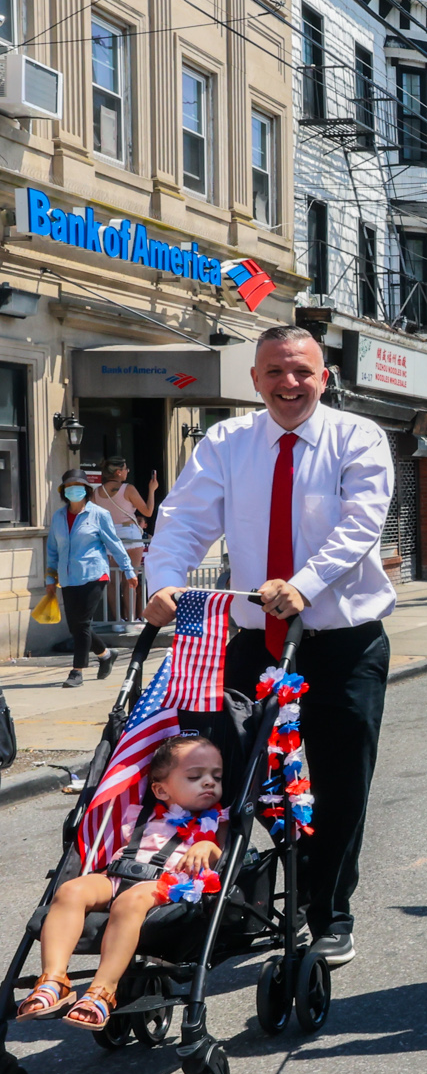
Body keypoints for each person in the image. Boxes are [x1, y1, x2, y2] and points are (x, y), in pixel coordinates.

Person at [146, 324, 395, 970]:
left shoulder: (357, 437)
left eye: (302, 371)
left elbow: (361, 525)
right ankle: (260, 879)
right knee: (236, 776)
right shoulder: (228, 441)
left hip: (342, 642)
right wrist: (166, 585)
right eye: (275, 372)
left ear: (325, 376)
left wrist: (304, 584)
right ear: (254, 379)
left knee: (341, 784)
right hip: (256, 641)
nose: (289, 383)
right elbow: (184, 519)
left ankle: (329, 911)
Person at [16, 731, 225, 1027]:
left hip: (168, 884)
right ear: (161, 791)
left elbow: (225, 858)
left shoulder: (219, 819)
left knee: (132, 899)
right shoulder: (140, 812)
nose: (209, 782)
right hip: (118, 873)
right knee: (71, 890)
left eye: (216, 777)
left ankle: (103, 990)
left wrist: (208, 846)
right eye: (194, 776)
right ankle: (54, 979)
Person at [44, 468, 136, 688]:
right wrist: (50, 578)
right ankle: (105, 654)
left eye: (77, 486)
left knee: (82, 623)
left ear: (85, 489)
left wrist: (128, 570)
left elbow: (114, 544)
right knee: (75, 626)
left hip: (93, 574)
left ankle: (77, 671)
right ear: (63, 491)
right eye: (68, 487)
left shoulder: (98, 514)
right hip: (67, 578)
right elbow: (52, 550)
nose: (73, 490)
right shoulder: (58, 517)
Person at [93, 458, 155, 625]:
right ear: (118, 472)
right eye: (126, 469)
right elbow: (148, 511)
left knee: (112, 581)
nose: (128, 471)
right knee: (131, 577)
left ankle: (117, 621)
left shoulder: (97, 492)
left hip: (109, 535)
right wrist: (152, 490)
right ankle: (132, 620)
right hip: (129, 534)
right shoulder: (128, 489)